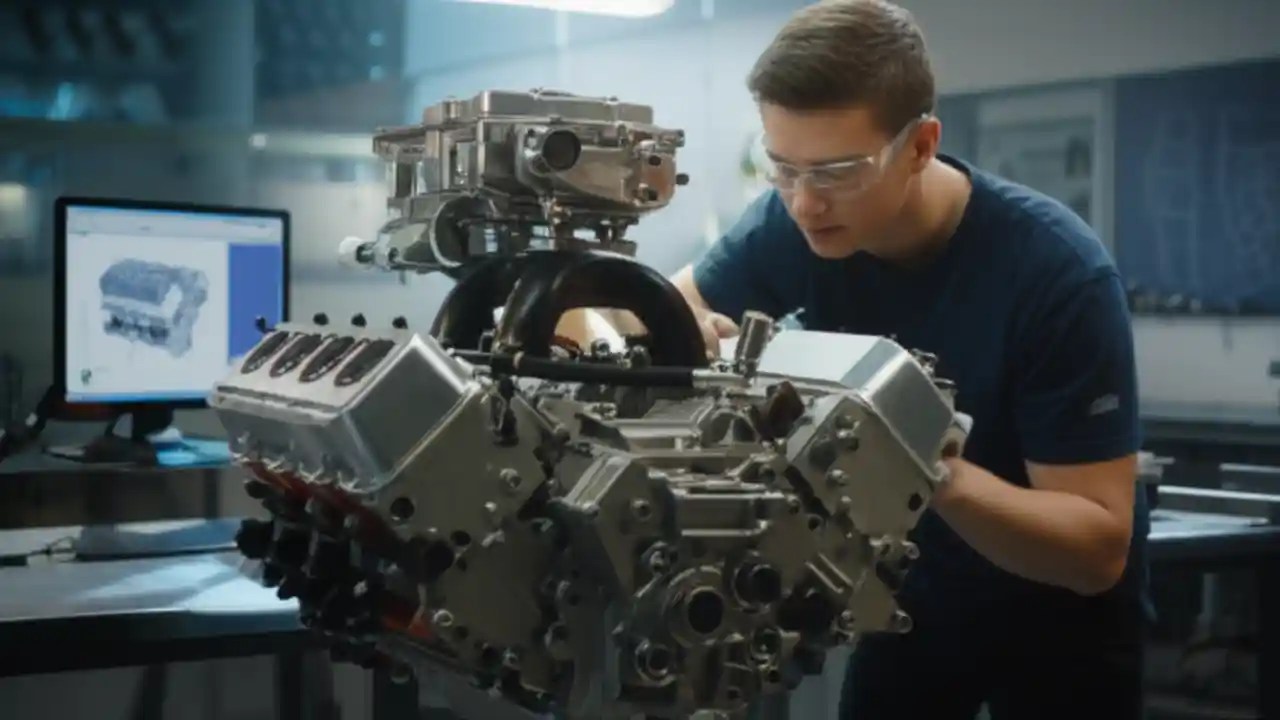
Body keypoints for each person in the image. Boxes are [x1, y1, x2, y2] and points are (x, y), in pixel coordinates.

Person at [581, 1, 1149, 718]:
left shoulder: (1057, 276)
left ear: (920, 146)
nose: (804, 204)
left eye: (838, 172)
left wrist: (925, 470)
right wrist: (677, 328)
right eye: (780, 167)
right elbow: (659, 311)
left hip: (1059, 623)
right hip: (911, 598)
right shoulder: (789, 226)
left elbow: (1096, 551)